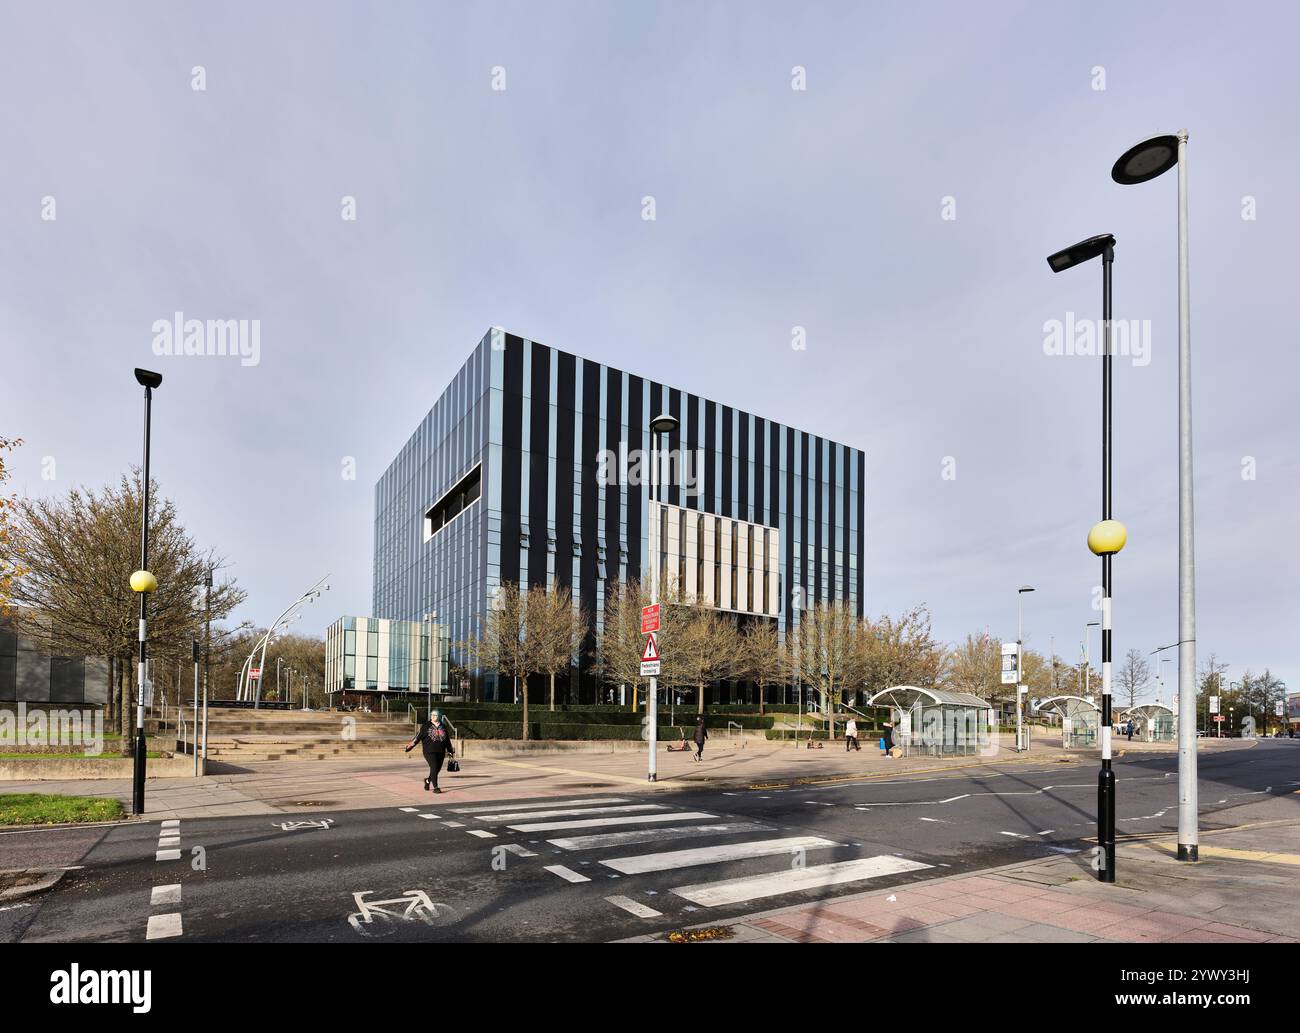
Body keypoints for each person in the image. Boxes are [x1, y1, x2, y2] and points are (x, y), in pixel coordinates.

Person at [406, 708, 455, 793]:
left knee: (436, 770)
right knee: (434, 767)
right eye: (431, 715)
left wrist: (450, 751)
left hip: (441, 751)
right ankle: (436, 787)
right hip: (429, 751)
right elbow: (418, 737)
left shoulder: (443, 726)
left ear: (439, 716)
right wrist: (410, 745)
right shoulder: (426, 725)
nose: (432, 716)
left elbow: (447, 740)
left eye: (435, 715)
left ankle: (427, 781)